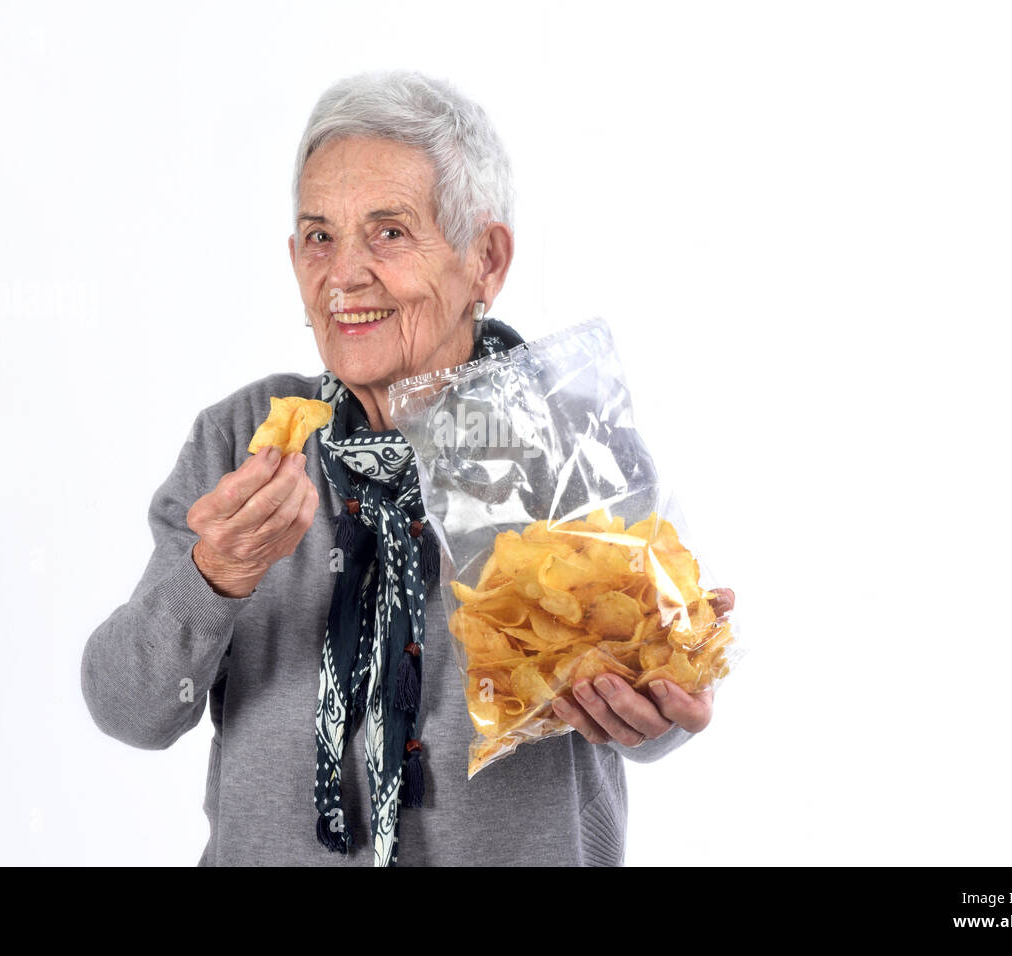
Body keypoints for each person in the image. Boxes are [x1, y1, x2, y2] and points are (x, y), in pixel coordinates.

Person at [81, 70, 717, 866]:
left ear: (485, 259)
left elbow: (650, 723)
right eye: (319, 235)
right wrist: (215, 576)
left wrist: (663, 688)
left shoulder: (561, 437)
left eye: (388, 232)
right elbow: (130, 711)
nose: (343, 275)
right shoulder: (246, 440)